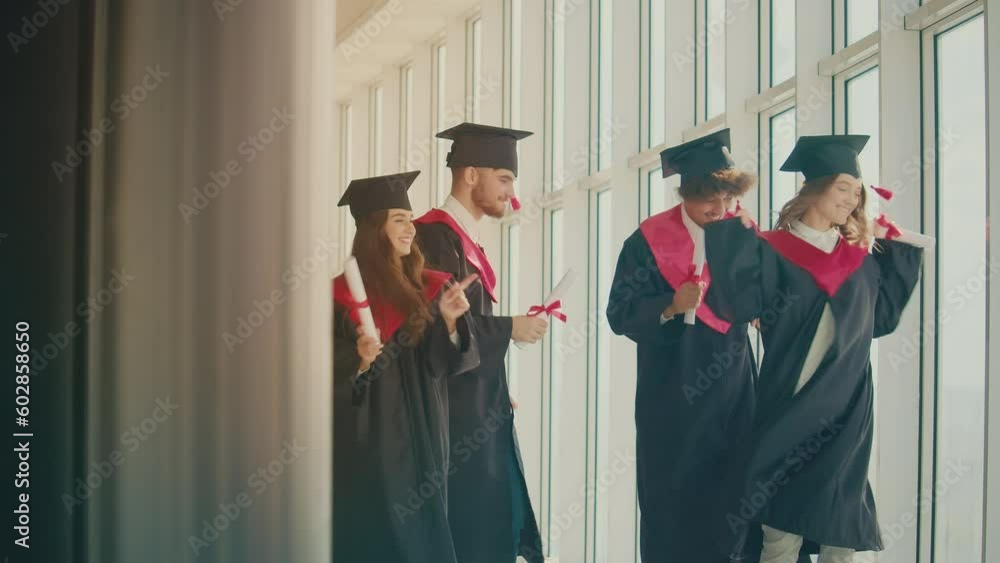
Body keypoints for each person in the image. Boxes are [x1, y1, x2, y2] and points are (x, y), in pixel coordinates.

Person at [704, 135, 925, 563]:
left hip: (847, 407)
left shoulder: (860, 260)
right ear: (814, 188)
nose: (851, 199)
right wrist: (732, 236)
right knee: (781, 525)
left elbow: (880, 321)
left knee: (839, 526)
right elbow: (736, 304)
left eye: (857, 193)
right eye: (843, 188)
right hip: (790, 401)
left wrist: (896, 251)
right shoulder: (770, 249)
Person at [606, 129, 760, 563]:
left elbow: (764, 300)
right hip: (672, 396)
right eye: (710, 198)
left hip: (734, 392)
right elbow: (619, 313)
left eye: (728, 197)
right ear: (686, 194)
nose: (720, 208)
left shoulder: (743, 234)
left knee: (734, 499)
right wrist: (671, 305)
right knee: (674, 504)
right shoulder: (646, 241)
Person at [332, 171, 481, 563]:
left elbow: (446, 363)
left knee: (423, 528)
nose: (410, 229)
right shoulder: (339, 294)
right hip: (368, 437)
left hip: (427, 429)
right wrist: (359, 360)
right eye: (398, 218)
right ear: (373, 227)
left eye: (409, 219)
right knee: (374, 529)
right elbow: (317, 369)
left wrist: (449, 322)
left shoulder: (430, 288)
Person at [414, 122, 547, 563]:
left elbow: (464, 327)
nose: (512, 192)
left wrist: (494, 381)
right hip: (453, 414)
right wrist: (511, 327)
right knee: (471, 517)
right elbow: (436, 326)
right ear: (471, 175)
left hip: (475, 402)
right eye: (505, 179)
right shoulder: (434, 236)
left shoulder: (461, 239)